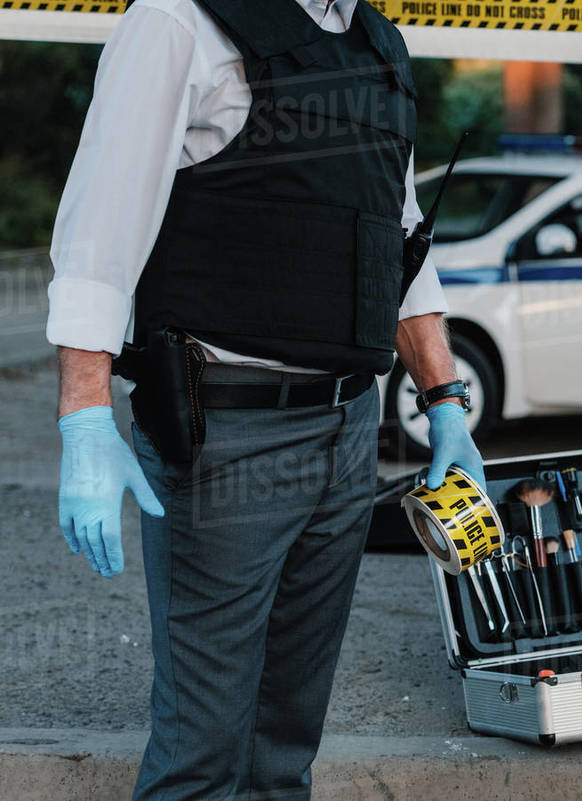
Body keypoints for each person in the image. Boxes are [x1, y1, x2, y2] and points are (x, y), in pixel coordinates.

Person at [48, 0, 484, 797]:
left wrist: (446, 399)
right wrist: (84, 416)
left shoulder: (379, 44)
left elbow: (400, 235)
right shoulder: (180, 20)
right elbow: (98, 236)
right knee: (201, 756)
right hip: (226, 436)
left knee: (284, 751)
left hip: (349, 431)